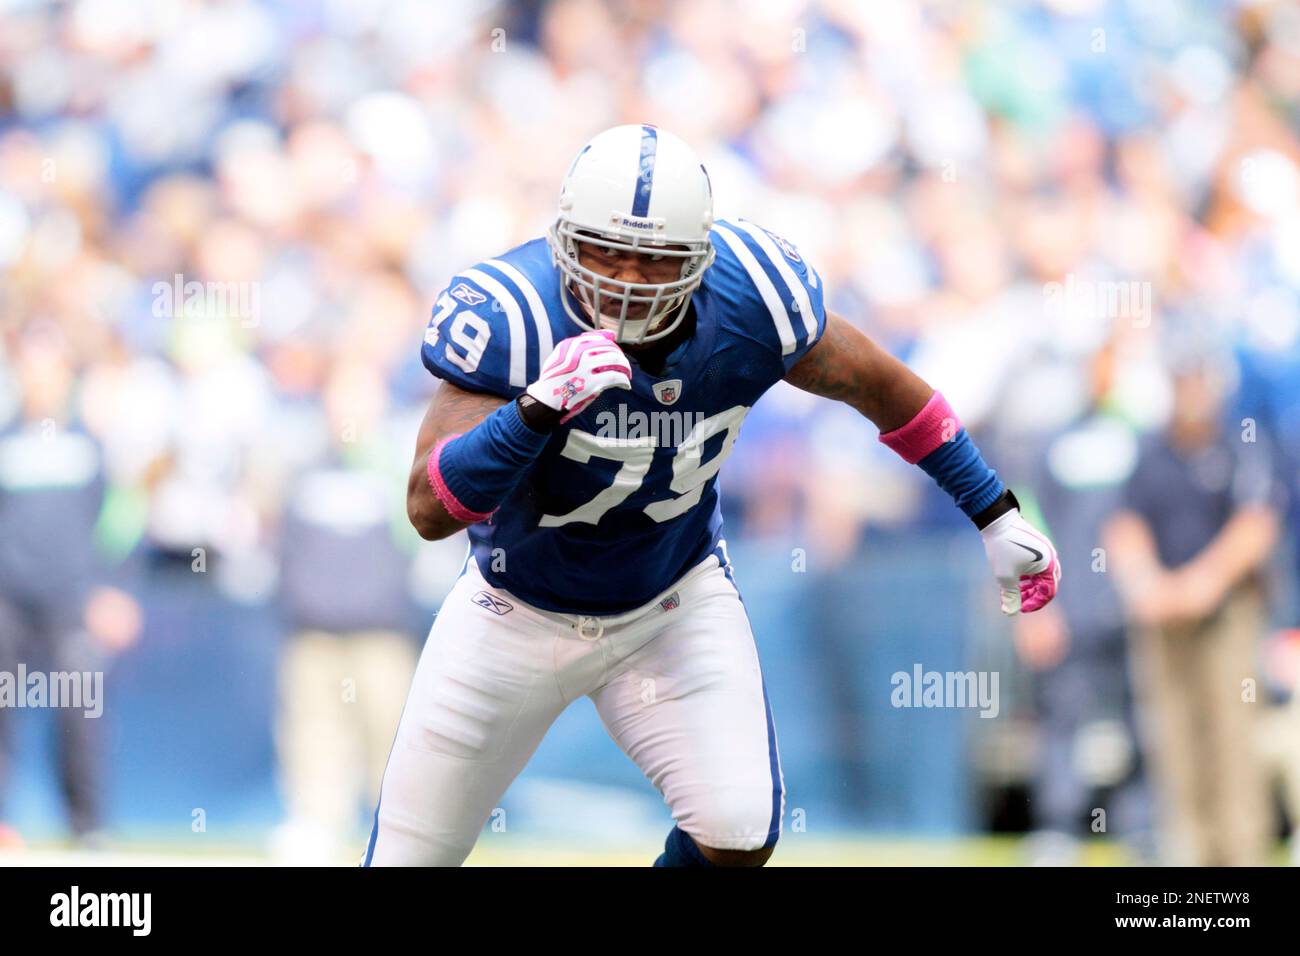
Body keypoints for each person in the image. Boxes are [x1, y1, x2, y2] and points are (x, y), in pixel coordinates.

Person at [365, 125, 1060, 867]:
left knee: (736, 832)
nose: (628, 278)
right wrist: (533, 410)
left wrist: (995, 511)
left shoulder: (754, 295)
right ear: (564, 239)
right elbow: (429, 508)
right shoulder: (515, 310)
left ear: (699, 259)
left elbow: (882, 388)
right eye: (605, 249)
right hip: (512, 612)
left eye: (655, 257)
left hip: (671, 602)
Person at [1105, 334, 1282, 866]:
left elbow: (1257, 523)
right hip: (1164, 617)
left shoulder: (1240, 445)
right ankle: (1188, 860)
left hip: (1225, 614)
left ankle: (1240, 860)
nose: (1191, 391)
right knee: (1174, 742)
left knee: (1231, 738)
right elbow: (1125, 524)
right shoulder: (1150, 452)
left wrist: (1204, 582)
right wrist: (1146, 584)